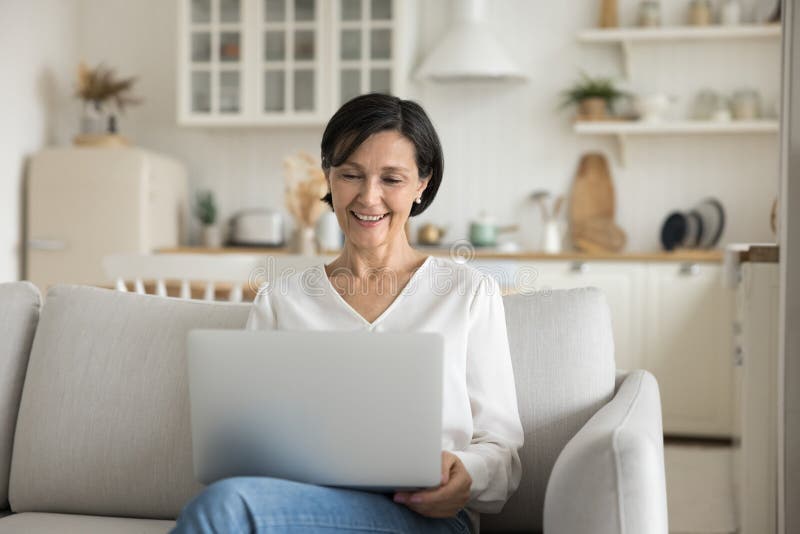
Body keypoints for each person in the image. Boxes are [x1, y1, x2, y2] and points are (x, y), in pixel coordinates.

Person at [172, 93, 524, 534]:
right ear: (329, 179)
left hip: (426, 517)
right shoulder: (282, 301)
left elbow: (502, 450)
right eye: (350, 175)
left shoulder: (468, 294)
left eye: (392, 179)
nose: (368, 197)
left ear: (422, 185)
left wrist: (465, 473)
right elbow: (244, 443)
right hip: (305, 505)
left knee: (224, 510)